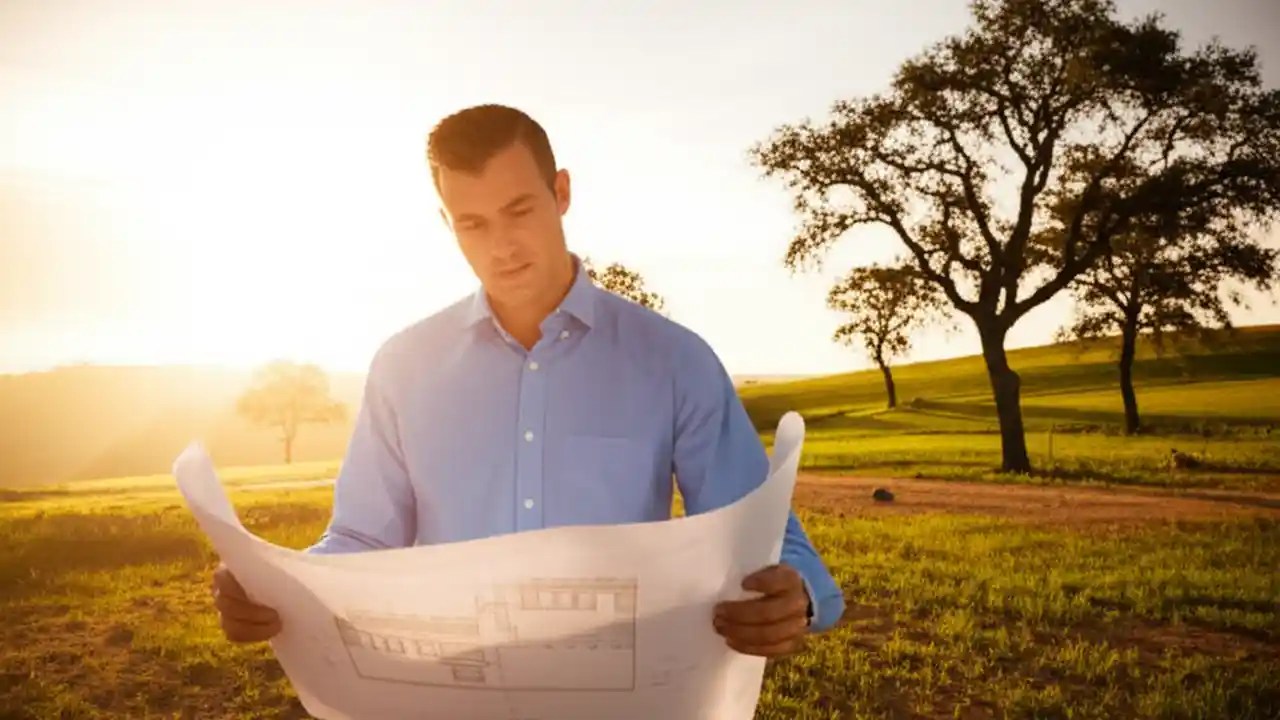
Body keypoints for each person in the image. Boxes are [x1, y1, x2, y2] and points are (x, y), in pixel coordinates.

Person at [210, 103, 845, 659]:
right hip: (446, 694)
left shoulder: (673, 359)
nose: (503, 246)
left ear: (561, 191)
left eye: (519, 210)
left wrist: (799, 595)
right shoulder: (403, 366)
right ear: (446, 221)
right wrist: (278, 583)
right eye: (473, 223)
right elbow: (361, 537)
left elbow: (761, 532)